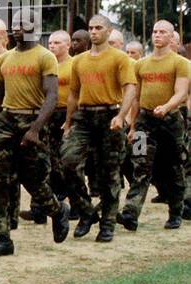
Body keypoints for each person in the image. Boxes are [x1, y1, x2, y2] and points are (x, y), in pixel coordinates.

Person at [0, 8, 69, 256]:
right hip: (6, 120)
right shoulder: (4, 59)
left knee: (33, 179)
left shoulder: (45, 57)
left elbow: (52, 96)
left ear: (35, 28)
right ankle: (2, 238)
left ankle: (57, 210)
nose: (19, 28)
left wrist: (35, 129)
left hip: (32, 119)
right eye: (16, 24)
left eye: (25, 24)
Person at [60, 14, 138, 242]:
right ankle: (85, 211)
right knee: (68, 162)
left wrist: (121, 116)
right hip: (84, 116)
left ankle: (107, 224)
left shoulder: (119, 58)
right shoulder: (79, 60)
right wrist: (68, 121)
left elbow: (130, 88)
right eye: (91, 28)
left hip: (109, 115)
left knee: (109, 172)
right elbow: (73, 93)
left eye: (98, 28)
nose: (93, 32)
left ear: (108, 30)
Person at [118, 19, 188, 230]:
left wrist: (166, 107)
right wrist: (132, 126)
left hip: (170, 122)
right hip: (145, 122)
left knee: (173, 167)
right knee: (140, 163)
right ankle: (130, 213)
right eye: (155, 31)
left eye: (162, 32)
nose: (157, 35)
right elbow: (136, 97)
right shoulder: (141, 64)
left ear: (170, 36)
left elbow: (181, 92)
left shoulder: (181, 63)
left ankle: (176, 212)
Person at [45, 29, 74, 202]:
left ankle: (70, 195)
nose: (52, 46)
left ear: (68, 45)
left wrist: (71, 119)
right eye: (50, 43)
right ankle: (54, 195)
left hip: (67, 113)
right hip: (49, 113)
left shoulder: (74, 64)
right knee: (50, 157)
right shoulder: (47, 65)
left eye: (57, 43)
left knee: (67, 157)